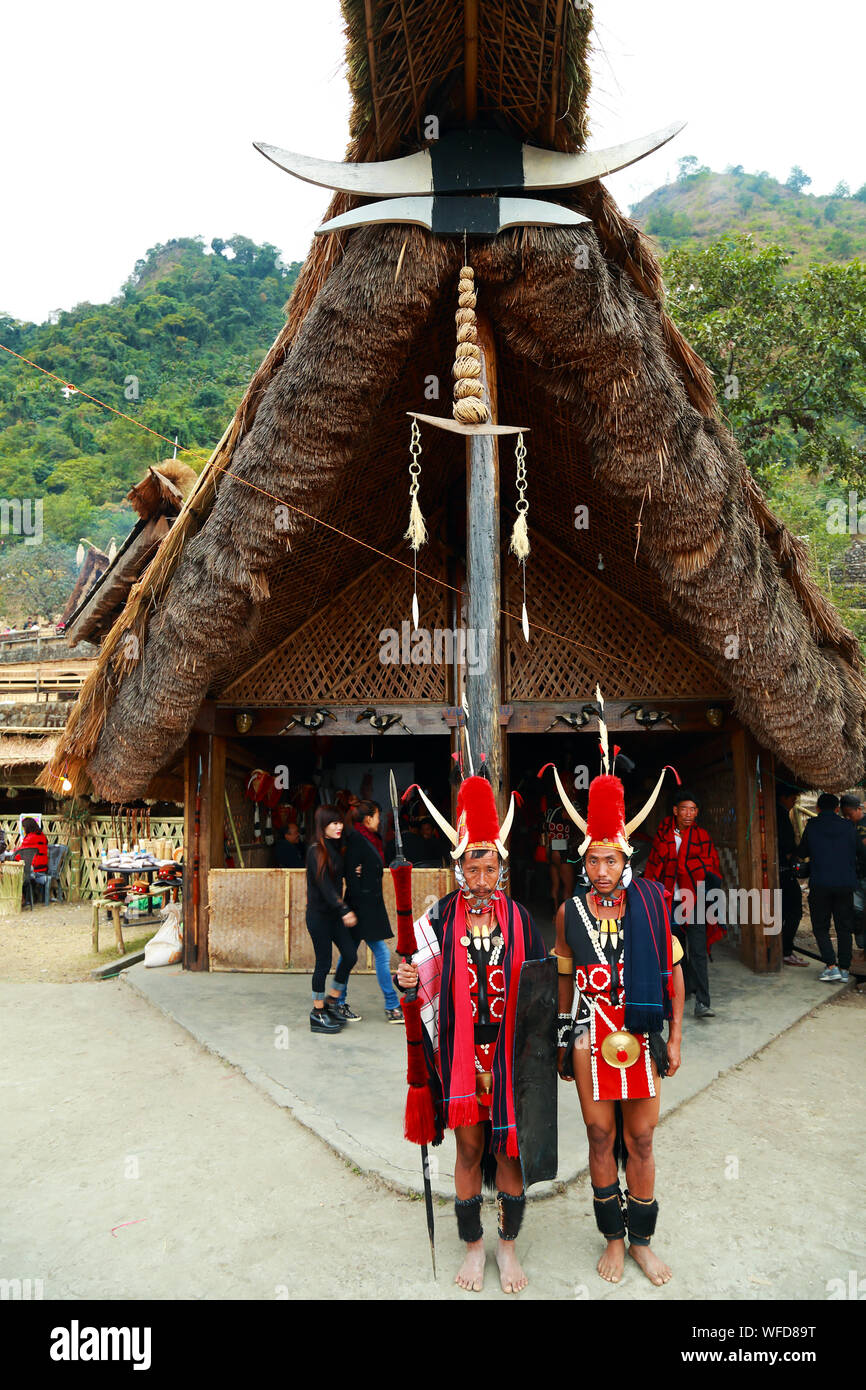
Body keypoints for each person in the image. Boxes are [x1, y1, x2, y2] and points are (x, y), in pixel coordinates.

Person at [396, 773, 551, 1294]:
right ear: (458, 868)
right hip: (463, 1057)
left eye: (489, 868)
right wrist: (408, 980)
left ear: (501, 870)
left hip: (508, 1057)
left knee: (509, 1152)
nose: (481, 878)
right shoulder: (439, 920)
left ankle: (507, 1249)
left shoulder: (522, 919)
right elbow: (419, 986)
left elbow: (539, 991)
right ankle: (473, 1246)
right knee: (467, 1151)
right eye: (472, 867)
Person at [546, 748, 684, 1288]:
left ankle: (643, 1242)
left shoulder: (653, 902)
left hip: (643, 1035)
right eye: (593, 861)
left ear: (627, 860)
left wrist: (675, 1037)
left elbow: (673, 975)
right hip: (587, 1037)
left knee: (642, 1140)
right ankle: (612, 1238)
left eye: (612, 861)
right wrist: (563, 1037)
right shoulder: (568, 913)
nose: (601, 871)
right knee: (600, 1136)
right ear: (584, 860)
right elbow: (563, 978)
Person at [644, 789, 723, 1018]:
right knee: (674, 950)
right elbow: (654, 866)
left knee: (698, 951)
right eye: (684, 809)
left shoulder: (702, 836)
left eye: (693, 809)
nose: (689, 813)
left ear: (697, 812)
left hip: (695, 900)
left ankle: (703, 1002)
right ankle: (682, 989)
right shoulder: (663, 834)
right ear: (675, 811)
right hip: (670, 902)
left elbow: (711, 866)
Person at [338, 799, 403, 1023]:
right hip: (362, 907)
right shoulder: (357, 839)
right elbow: (349, 872)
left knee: (349, 955)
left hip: (369, 906)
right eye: (377, 816)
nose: (379, 820)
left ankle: (338, 1001)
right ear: (368, 819)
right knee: (380, 955)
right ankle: (392, 1006)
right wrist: (353, 908)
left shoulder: (371, 839)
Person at [798, 792, 866, 984]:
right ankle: (844, 969)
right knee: (844, 927)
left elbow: (802, 852)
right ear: (837, 809)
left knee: (821, 926)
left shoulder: (812, 826)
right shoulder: (848, 827)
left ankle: (830, 966)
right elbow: (862, 854)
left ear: (818, 809)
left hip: (821, 884)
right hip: (845, 885)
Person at [304, 806, 358, 1033]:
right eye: (333, 823)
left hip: (333, 916)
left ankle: (332, 1000)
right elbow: (325, 886)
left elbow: (339, 874)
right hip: (319, 916)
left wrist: (354, 871)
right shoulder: (316, 850)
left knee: (350, 955)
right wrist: (344, 908)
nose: (339, 826)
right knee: (323, 963)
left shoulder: (334, 848)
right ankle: (317, 1012)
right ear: (323, 826)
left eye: (340, 822)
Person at [777, 790, 808, 966]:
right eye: (792, 797)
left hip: (778, 871)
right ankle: (786, 950)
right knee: (794, 911)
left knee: (781, 912)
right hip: (784, 871)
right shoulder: (780, 815)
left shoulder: (776, 812)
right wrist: (794, 856)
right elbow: (787, 845)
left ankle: (782, 948)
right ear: (782, 796)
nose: (794, 801)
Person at [840, 794, 866, 957]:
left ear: (859, 809)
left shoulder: (863, 826)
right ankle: (862, 947)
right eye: (845, 814)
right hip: (856, 877)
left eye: (850, 813)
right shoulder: (850, 826)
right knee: (856, 912)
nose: (847, 817)